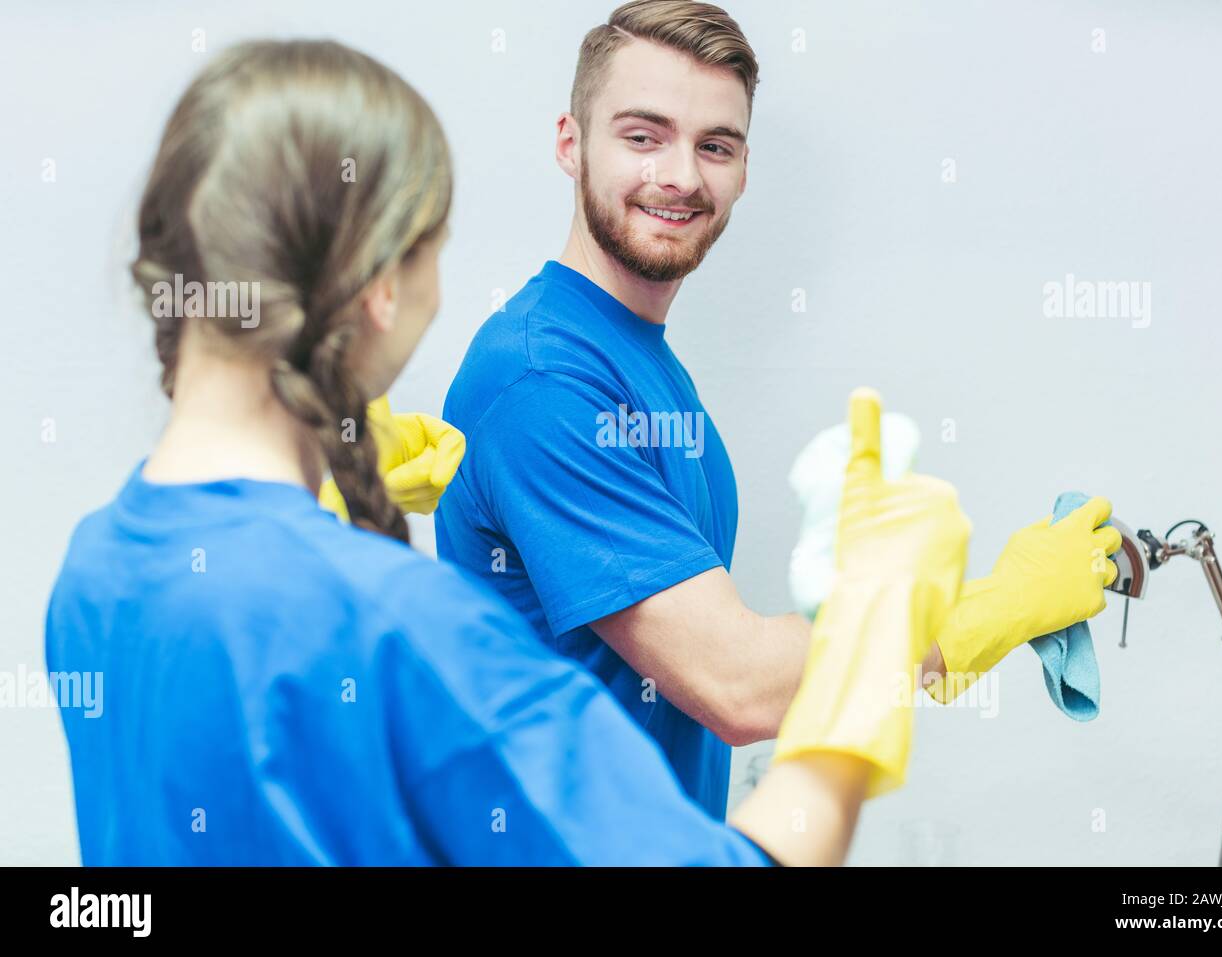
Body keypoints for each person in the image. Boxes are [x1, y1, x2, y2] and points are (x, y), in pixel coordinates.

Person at [45, 38, 975, 866]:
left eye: (716, 143)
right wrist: (876, 624)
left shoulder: (95, 567)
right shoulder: (405, 629)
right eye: (435, 252)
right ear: (380, 287)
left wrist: (337, 454)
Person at [434, 0, 1123, 820]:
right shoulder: (543, 377)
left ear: (744, 169)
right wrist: (986, 609)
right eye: (643, 135)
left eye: (714, 145)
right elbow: (738, 684)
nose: (681, 176)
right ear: (571, 144)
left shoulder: (636, 357)